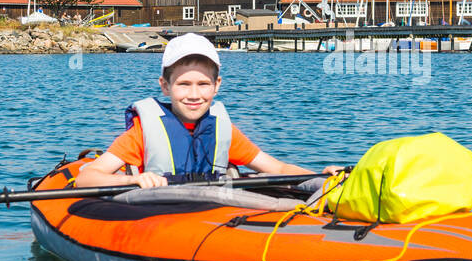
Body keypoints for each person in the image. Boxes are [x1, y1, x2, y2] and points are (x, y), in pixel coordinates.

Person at [74, 33, 333, 189]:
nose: (194, 95)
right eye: (184, 84)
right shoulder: (143, 133)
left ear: (217, 86)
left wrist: (318, 177)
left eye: (203, 84)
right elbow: (87, 178)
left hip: (209, 215)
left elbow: (277, 169)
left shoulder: (223, 131)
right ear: (165, 86)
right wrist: (132, 181)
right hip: (155, 218)